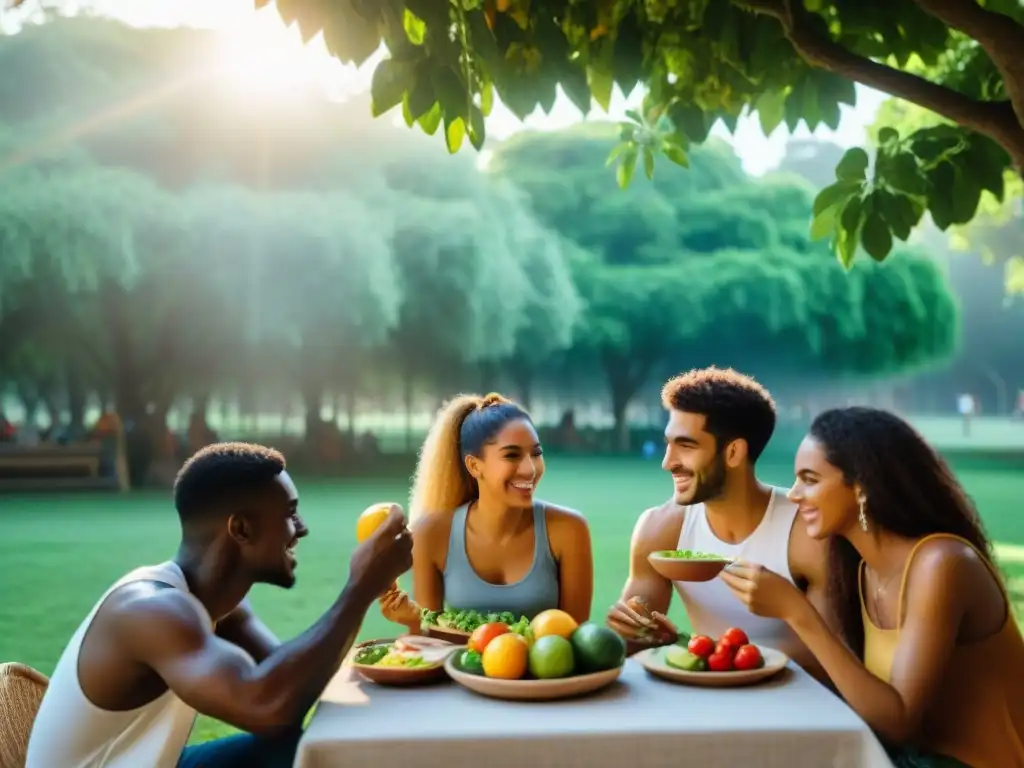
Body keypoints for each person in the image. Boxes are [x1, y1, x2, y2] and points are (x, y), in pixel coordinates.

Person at [26, 442, 413, 768]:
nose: (302, 527)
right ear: (241, 528)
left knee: (307, 747)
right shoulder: (151, 609)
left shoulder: (213, 604)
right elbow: (266, 705)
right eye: (290, 513)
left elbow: (288, 686)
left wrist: (401, 672)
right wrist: (361, 587)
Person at [721, 407, 1024, 768]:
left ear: (862, 487)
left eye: (810, 479)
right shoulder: (861, 570)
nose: (795, 494)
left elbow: (898, 722)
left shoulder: (942, 564)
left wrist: (796, 610)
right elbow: (854, 690)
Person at [606, 367, 832, 683]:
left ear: (734, 452)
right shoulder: (660, 529)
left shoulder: (806, 533)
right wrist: (633, 631)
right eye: (668, 444)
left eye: (686, 446)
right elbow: (628, 648)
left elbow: (830, 662)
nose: (667, 462)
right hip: (709, 700)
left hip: (798, 706)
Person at [379, 392, 593, 628]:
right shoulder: (431, 532)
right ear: (474, 466)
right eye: (512, 455)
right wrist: (415, 619)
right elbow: (427, 649)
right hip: (458, 666)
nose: (529, 469)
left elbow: (575, 640)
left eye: (536, 453)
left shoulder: (569, 530)